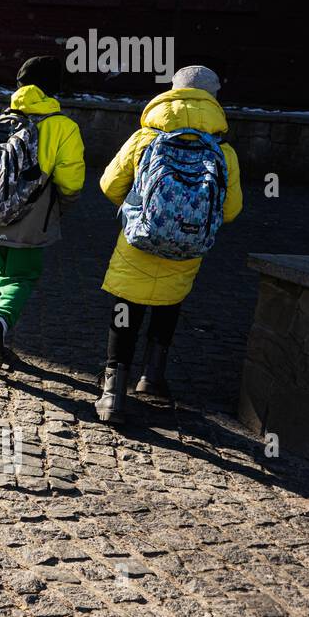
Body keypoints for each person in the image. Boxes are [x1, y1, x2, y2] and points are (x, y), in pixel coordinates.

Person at [95, 65, 242, 422]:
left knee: (126, 310)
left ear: (172, 92)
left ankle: (112, 396)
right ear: (213, 98)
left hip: (137, 243)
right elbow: (232, 209)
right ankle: (153, 377)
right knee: (168, 302)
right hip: (187, 249)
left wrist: (142, 210)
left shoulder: (143, 139)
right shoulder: (224, 152)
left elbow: (108, 184)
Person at [0, 56, 86, 368]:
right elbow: (71, 179)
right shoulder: (63, 127)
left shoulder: (1, 121)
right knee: (22, 276)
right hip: (32, 217)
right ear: (54, 88)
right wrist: (64, 205)